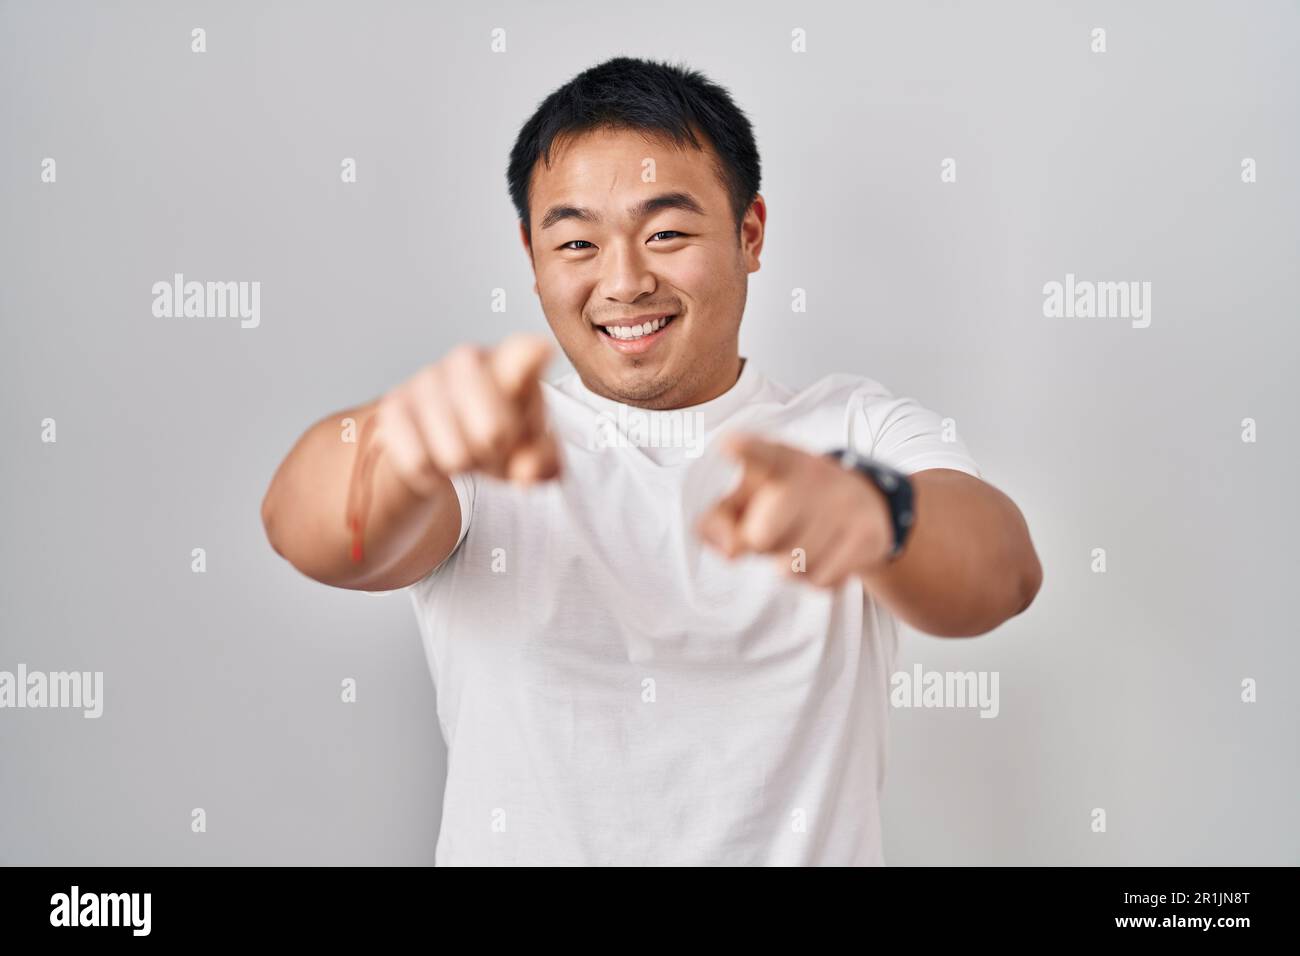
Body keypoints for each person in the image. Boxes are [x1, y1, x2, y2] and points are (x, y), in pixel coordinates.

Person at [260, 56, 1042, 865]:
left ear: (750, 233)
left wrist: (880, 514)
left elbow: (1003, 575)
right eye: (576, 243)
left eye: (665, 233)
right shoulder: (486, 440)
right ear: (531, 256)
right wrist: (399, 445)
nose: (625, 281)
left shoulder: (854, 431)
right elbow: (306, 532)